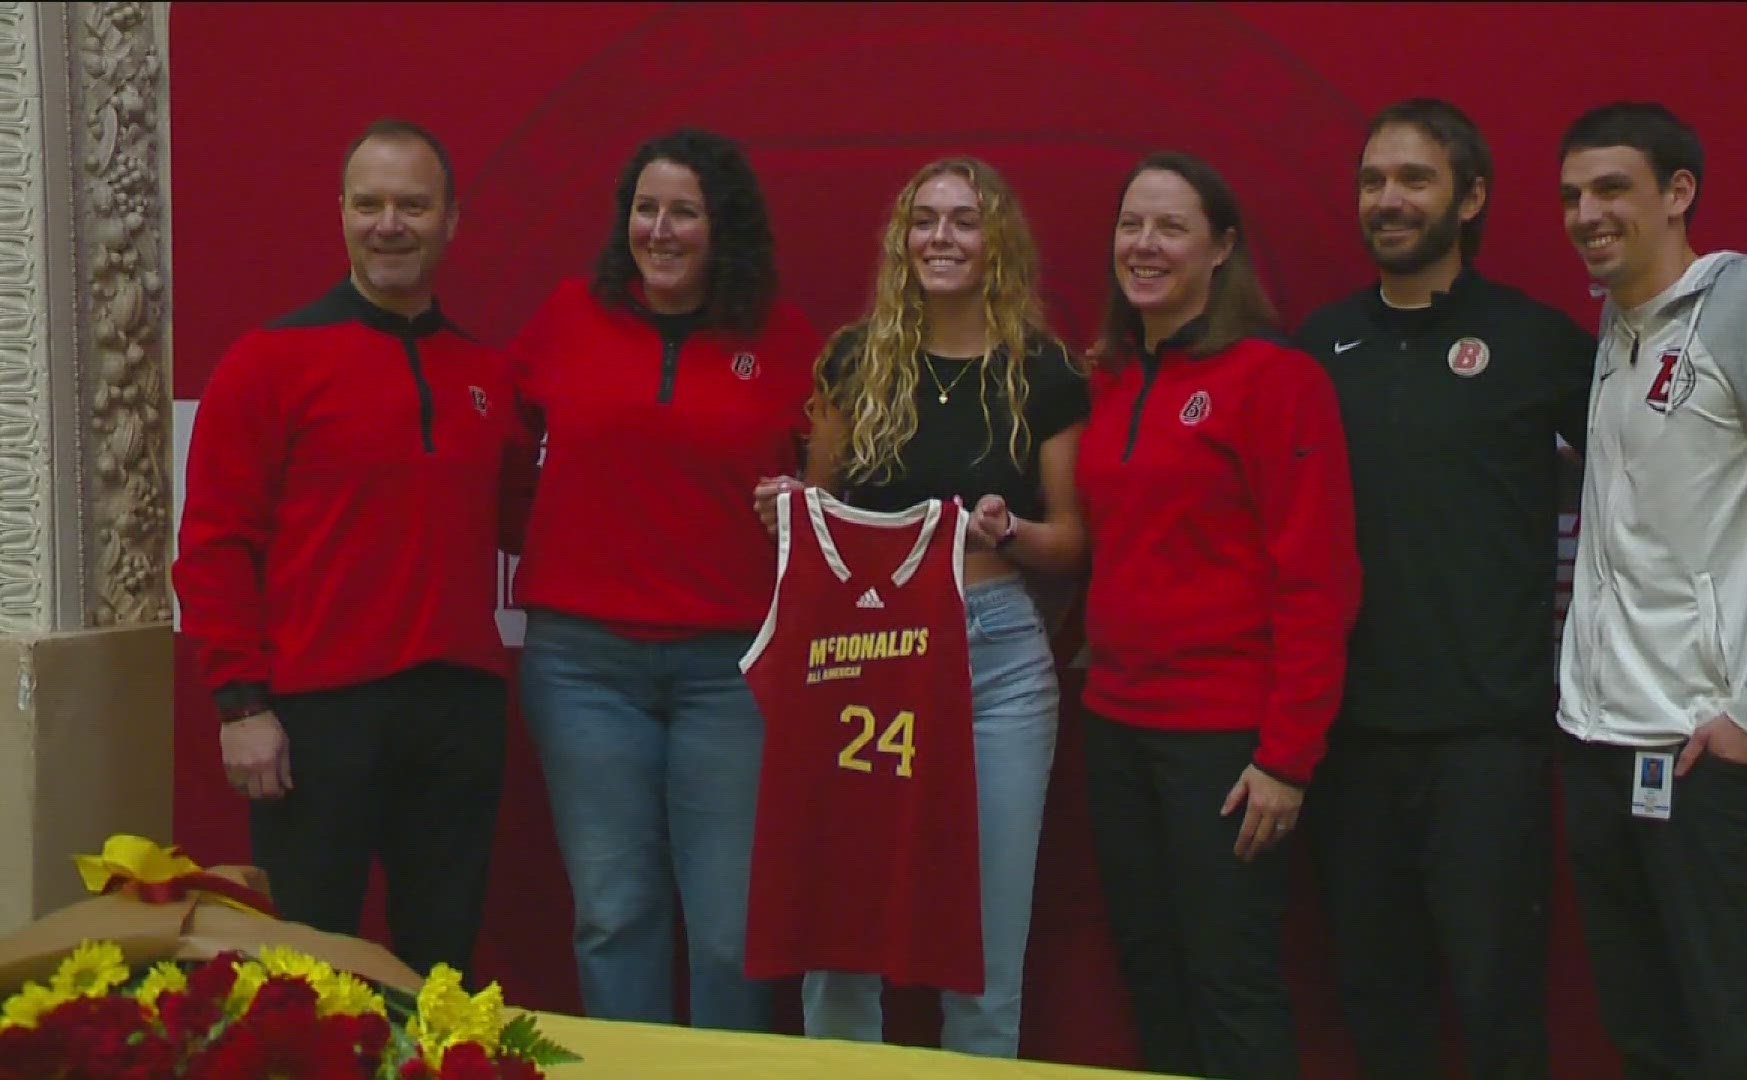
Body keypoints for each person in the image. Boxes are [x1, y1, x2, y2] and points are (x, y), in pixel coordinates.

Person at [174, 118, 531, 979]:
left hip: (457, 708)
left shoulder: (489, 376)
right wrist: (240, 705)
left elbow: (537, 521)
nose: (390, 223)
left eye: (413, 204)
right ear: (339, 214)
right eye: (369, 203)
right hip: (313, 718)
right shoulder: (267, 363)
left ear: (452, 221)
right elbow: (215, 543)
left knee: (444, 965)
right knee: (306, 967)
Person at [1555, 102, 1747, 1079]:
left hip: (1709, 751)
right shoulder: (1615, 325)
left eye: (1613, 188)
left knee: (1741, 1037)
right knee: (1647, 1034)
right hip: (1600, 743)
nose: (1586, 213)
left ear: (1678, 193)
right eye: (1571, 194)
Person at [753, 155, 1087, 1058]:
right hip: (867, 659)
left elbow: (1071, 541)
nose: (943, 237)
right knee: (842, 933)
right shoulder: (853, 360)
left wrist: (1008, 525)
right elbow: (817, 529)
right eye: (926, 220)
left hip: (997, 660)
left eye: (964, 221)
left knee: (984, 947)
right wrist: (787, 503)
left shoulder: (1042, 371)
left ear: (997, 244)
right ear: (902, 241)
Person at [1290, 98, 1595, 1079]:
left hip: (1489, 745)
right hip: (1350, 745)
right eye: (1374, 179)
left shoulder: (1539, 342)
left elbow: (1666, 443)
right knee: (1380, 1014)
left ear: (1470, 198)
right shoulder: (1315, 349)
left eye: (1414, 179)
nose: (1388, 198)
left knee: (1499, 1009)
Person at [508, 128, 820, 1029]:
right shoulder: (568, 317)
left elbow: (833, 486)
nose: (662, 229)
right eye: (646, 209)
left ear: (724, 227)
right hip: (582, 668)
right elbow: (493, 457)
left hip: (732, 671)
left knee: (730, 933)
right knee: (615, 917)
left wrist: (796, 499)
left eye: (685, 211)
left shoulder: (782, 336)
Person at [1074, 151, 1361, 1080]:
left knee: (1229, 983)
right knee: (1150, 973)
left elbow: (1317, 577)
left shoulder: (1274, 379)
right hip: (1116, 728)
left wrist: (1286, 757)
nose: (1143, 246)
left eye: (1170, 228)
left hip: (1225, 744)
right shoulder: (1110, 379)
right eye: (1130, 225)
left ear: (1222, 248)